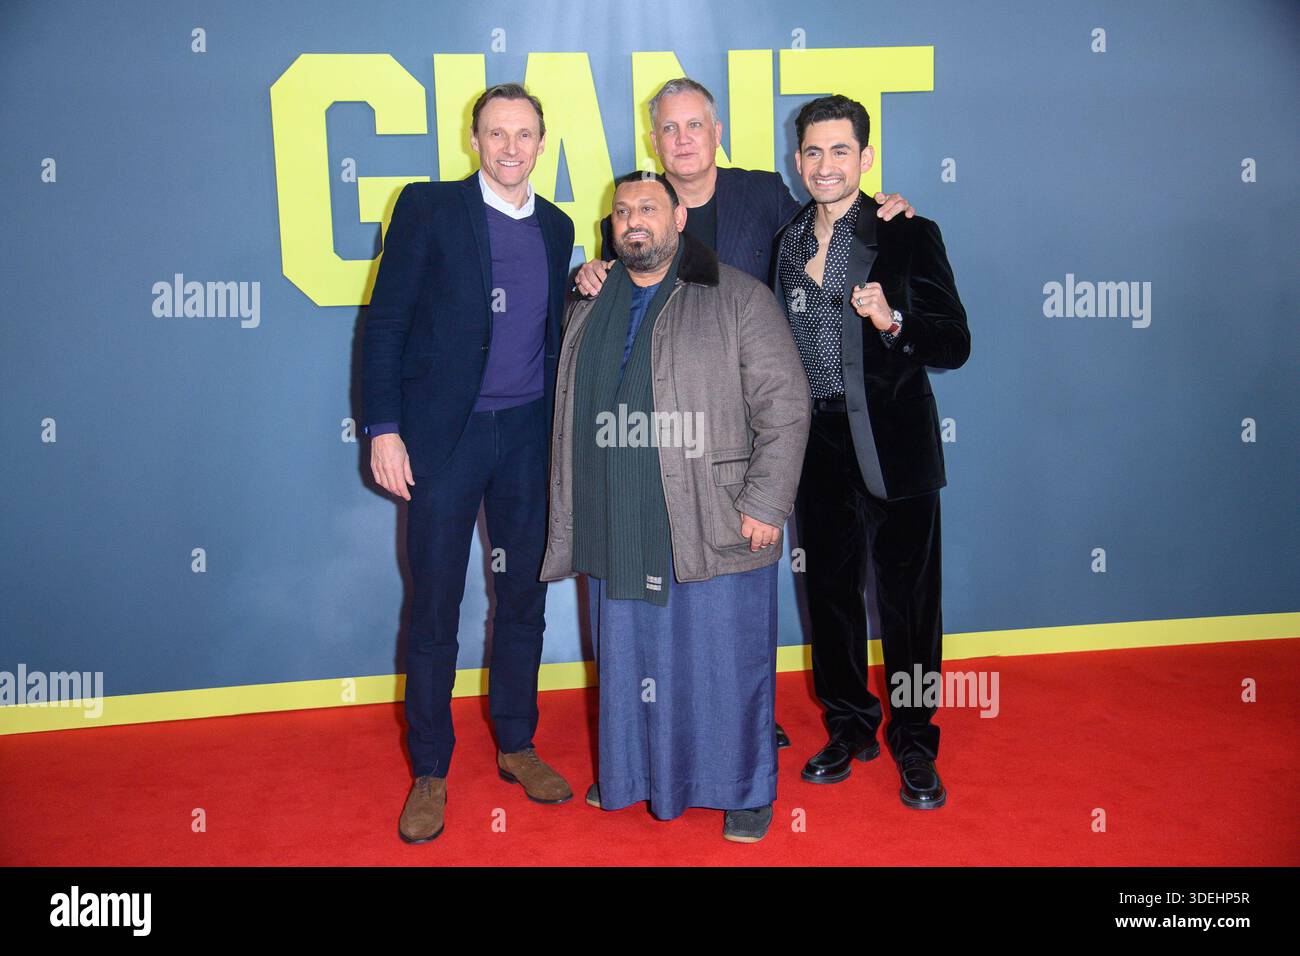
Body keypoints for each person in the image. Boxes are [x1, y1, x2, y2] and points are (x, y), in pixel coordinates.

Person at [573, 76, 915, 751]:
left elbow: (833, 222)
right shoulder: (636, 204)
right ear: (653, 140)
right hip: (662, 434)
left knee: (740, 584)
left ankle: (750, 713)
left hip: (752, 430)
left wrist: (885, 209)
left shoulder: (761, 194)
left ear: (717, 131)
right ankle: (676, 715)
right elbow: (613, 290)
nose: (682, 140)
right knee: (671, 579)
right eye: (668, 129)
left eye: (694, 125)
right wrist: (584, 275)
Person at [540, 171, 811, 842]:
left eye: (650, 209)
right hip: (617, 516)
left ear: (679, 217)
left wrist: (767, 501)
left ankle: (744, 788)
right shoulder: (587, 307)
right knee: (632, 660)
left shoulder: (738, 297)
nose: (635, 220)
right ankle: (631, 775)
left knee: (726, 659)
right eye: (623, 211)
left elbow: (787, 405)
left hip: (716, 513)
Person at [362, 83, 576, 844]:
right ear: (474, 140)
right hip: (443, 443)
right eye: (496, 133)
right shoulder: (428, 208)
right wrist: (384, 428)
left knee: (522, 600)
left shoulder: (558, 226)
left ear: (542, 144)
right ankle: (430, 768)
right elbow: (384, 322)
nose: (510, 147)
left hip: (525, 441)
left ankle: (517, 744)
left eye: (524, 134)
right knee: (435, 609)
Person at [772, 94, 970, 809]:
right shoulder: (787, 243)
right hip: (815, 448)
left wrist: (893, 321)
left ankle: (915, 743)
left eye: (841, 151)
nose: (827, 165)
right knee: (829, 597)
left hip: (895, 447)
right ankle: (849, 726)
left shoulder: (907, 234)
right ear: (798, 163)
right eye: (814, 153)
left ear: (866, 157)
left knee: (909, 605)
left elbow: (954, 343)